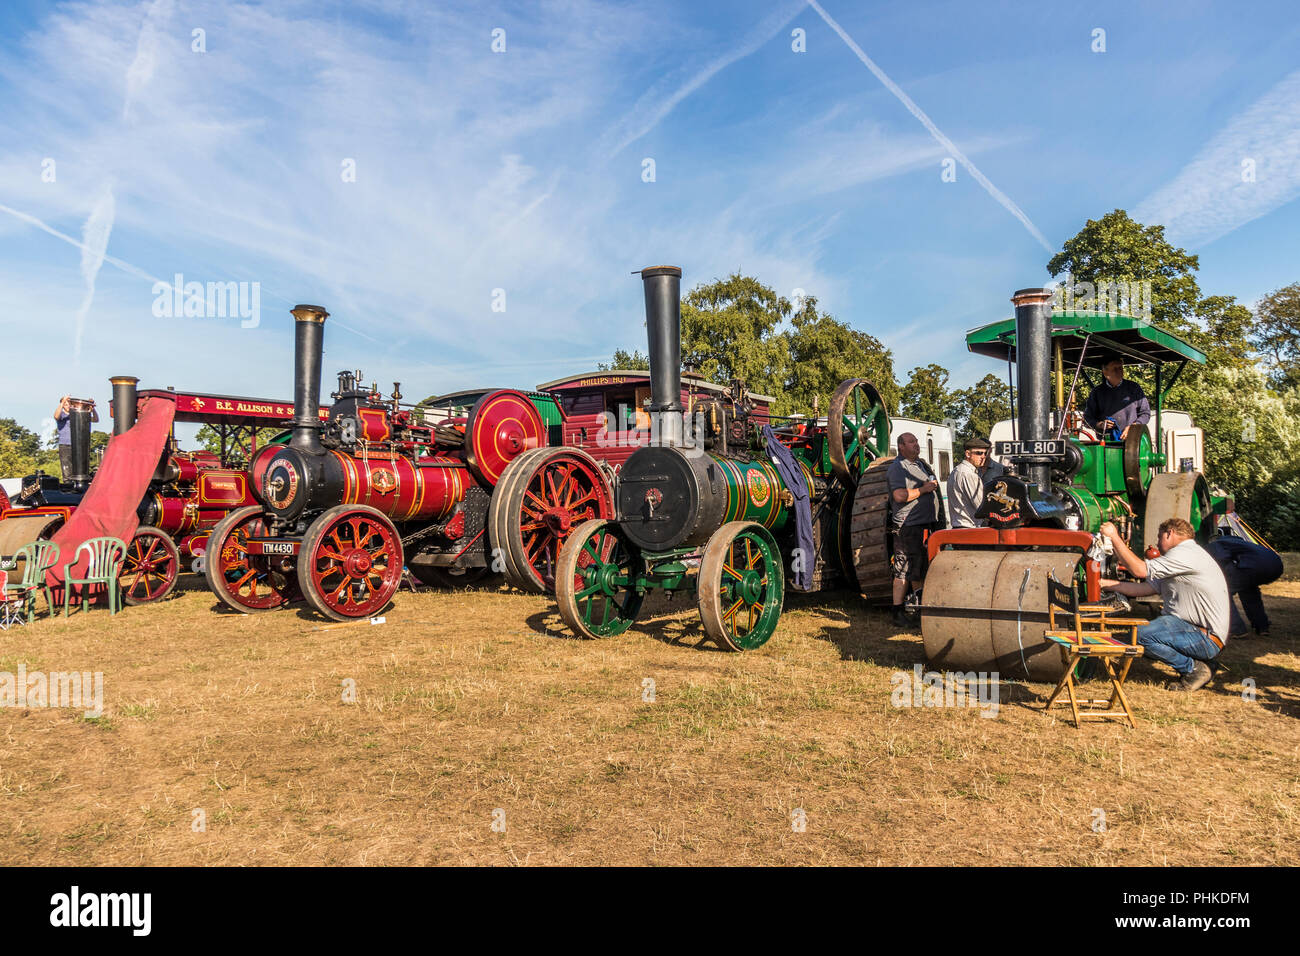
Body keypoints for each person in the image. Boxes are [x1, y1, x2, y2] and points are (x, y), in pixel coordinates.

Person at [1099, 518, 1230, 692]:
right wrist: (1103, 584)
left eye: (1159, 537)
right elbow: (1145, 588)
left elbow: (1139, 571)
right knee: (1143, 633)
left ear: (1170, 534)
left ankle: (1193, 669)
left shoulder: (1185, 553)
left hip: (1204, 637)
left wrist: (1114, 537)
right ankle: (1203, 665)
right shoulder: (1189, 555)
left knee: (1140, 636)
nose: (1157, 544)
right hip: (1201, 633)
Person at [888, 432, 940, 627]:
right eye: (911, 442)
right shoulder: (898, 468)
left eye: (917, 441)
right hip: (907, 526)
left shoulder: (920, 465)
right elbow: (899, 496)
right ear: (901, 446)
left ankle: (919, 608)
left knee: (916, 569)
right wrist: (923, 490)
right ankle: (897, 612)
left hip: (922, 525)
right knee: (903, 568)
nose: (916, 445)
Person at [1208, 534, 1283, 637]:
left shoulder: (1218, 543)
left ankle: (1236, 629)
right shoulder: (1240, 542)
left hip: (1252, 567)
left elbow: (1221, 558)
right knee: (1249, 591)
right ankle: (1262, 626)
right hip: (1276, 565)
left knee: (1222, 593)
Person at [1082, 356, 1150, 441]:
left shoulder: (1134, 388)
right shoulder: (1097, 392)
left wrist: (1133, 427)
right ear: (1105, 372)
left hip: (1132, 443)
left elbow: (1145, 413)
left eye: (1120, 368)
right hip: (1106, 443)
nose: (1119, 371)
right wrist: (1100, 425)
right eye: (1115, 369)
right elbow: (1087, 418)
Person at [947, 436, 991, 529]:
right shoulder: (968, 474)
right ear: (968, 454)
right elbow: (981, 506)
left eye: (985, 453)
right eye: (979, 453)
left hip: (960, 526)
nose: (983, 457)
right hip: (969, 529)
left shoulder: (957, 470)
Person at [52, 395, 98, 481]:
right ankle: (68, 484)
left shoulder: (78, 414)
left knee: (79, 470)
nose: (68, 405)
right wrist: (62, 403)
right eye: (66, 404)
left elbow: (95, 419)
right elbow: (56, 416)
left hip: (79, 445)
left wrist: (92, 408)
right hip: (65, 445)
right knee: (67, 471)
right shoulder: (62, 414)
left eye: (69, 403)